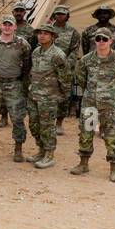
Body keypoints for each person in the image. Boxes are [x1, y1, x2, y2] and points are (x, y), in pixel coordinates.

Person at [71, 27, 115, 182]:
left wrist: (114, 96)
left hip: (109, 105)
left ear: (111, 41)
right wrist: (91, 94)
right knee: (86, 132)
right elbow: (80, 78)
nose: (101, 42)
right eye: (98, 39)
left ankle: (114, 168)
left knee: (111, 135)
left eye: (104, 39)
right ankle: (83, 163)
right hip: (90, 104)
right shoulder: (86, 60)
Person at [0, 16, 33, 162]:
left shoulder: (22, 43)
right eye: (4, 24)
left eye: (9, 25)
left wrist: (22, 83)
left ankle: (18, 149)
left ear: (14, 27)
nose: (7, 27)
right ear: (0, 26)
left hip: (14, 84)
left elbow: (27, 64)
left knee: (17, 117)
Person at [26, 24, 70, 169]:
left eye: (46, 33)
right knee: (34, 124)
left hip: (49, 97)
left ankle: (49, 154)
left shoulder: (58, 54)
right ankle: (41, 150)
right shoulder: (36, 52)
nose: (42, 36)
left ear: (52, 37)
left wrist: (63, 95)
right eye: (40, 33)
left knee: (47, 126)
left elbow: (65, 77)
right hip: (34, 95)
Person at [48, 4, 82, 133]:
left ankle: (59, 123)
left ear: (67, 16)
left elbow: (74, 51)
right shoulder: (48, 29)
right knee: (48, 96)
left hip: (65, 69)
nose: (60, 16)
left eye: (62, 14)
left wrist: (66, 66)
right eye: (58, 14)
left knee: (63, 96)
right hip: (49, 69)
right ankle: (48, 122)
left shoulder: (73, 32)